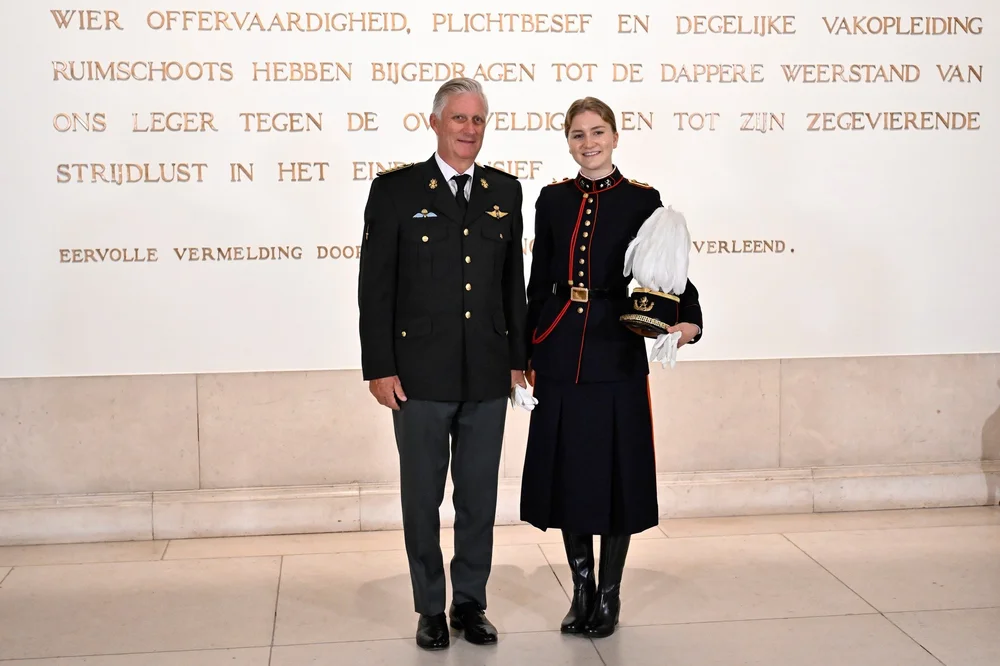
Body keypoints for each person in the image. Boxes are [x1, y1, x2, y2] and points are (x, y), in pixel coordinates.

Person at [519, 96, 704, 638]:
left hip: (614, 350)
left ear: (616, 137)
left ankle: (610, 593)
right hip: (557, 348)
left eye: (597, 132)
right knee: (569, 473)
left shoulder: (642, 200)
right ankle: (580, 588)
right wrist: (526, 352)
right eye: (577, 134)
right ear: (568, 141)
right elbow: (537, 281)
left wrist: (689, 319)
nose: (588, 143)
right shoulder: (551, 199)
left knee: (614, 474)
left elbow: (666, 271)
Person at [357, 77, 528, 651]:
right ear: (434, 123)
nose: (470, 130)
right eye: (459, 119)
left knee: (478, 497)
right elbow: (375, 288)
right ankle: (430, 607)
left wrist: (517, 359)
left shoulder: (505, 190)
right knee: (422, 497)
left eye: (478, 120)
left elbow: (512, 286)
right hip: (419, 376)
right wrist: (379, 367)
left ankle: (470, 604)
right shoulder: (397, 190)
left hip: (485, 372)